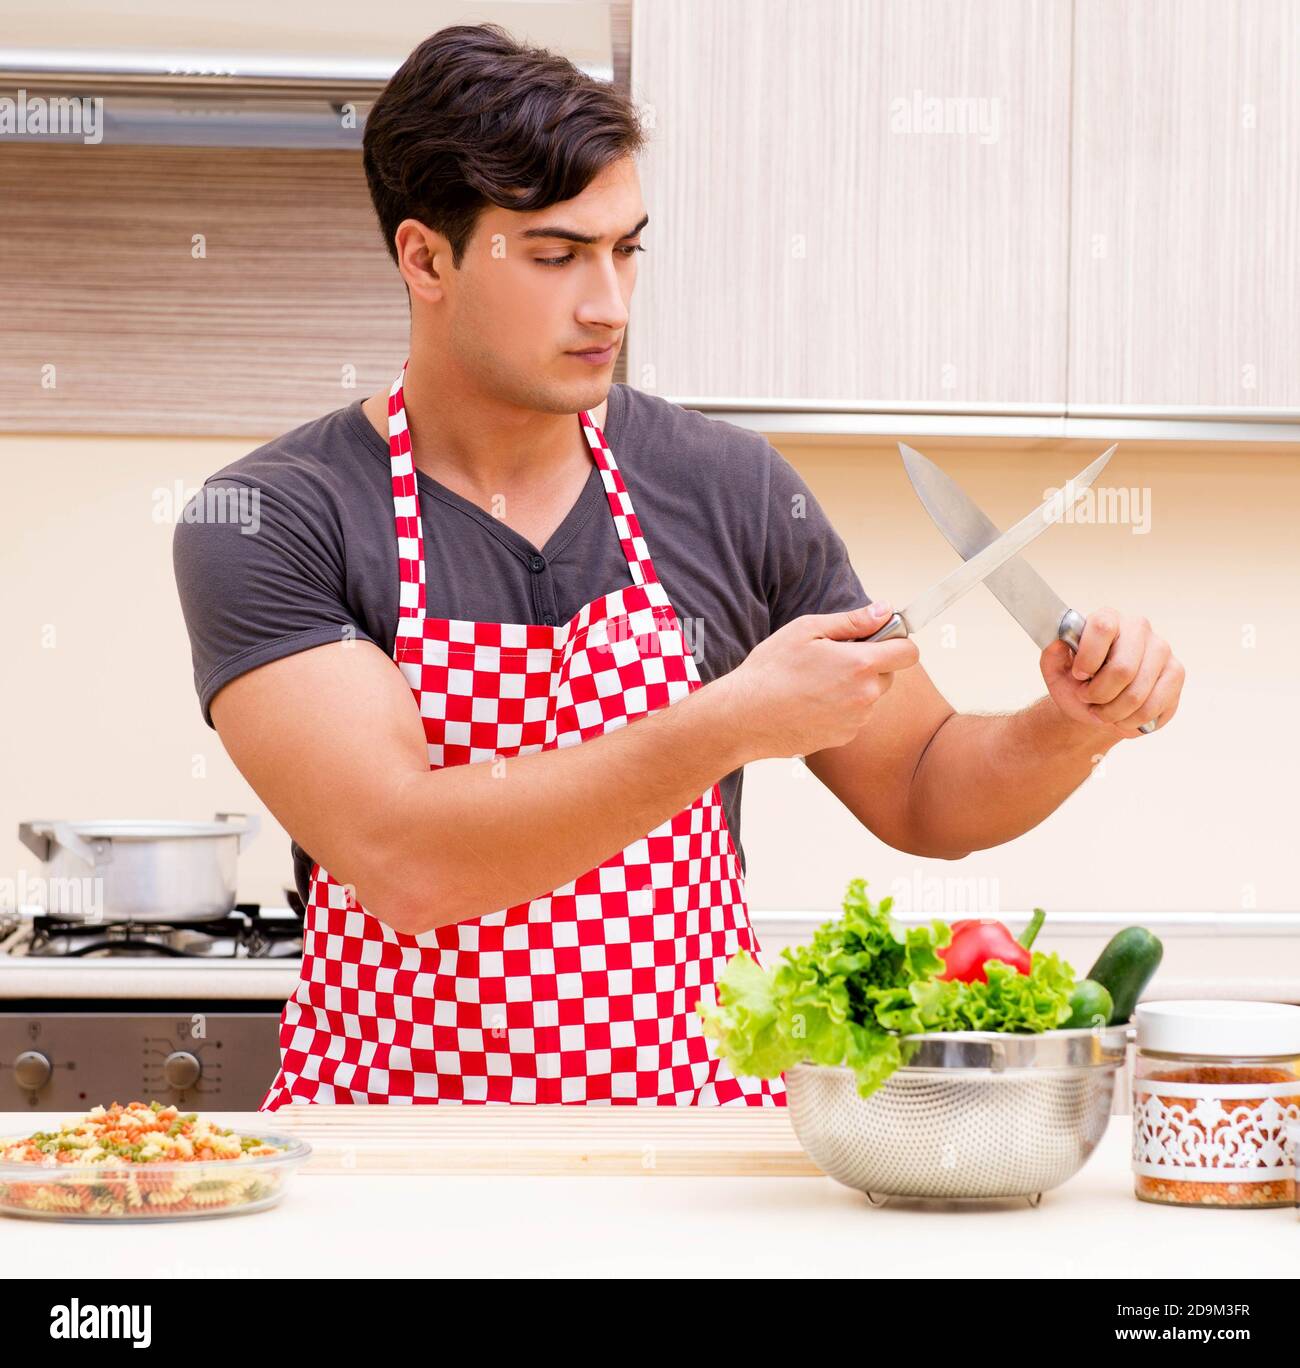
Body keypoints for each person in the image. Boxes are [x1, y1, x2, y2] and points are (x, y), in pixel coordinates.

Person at [172, 23, 1184, 1109]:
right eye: (558, 256)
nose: (607, 302)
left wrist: (1067, 727)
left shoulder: (728, 488)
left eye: (626, 249)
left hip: (689, 1151)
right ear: (426, 258)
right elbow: (409, 861)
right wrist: (731, 721)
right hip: (393, 1156)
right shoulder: (271, 519)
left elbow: (922, 788)